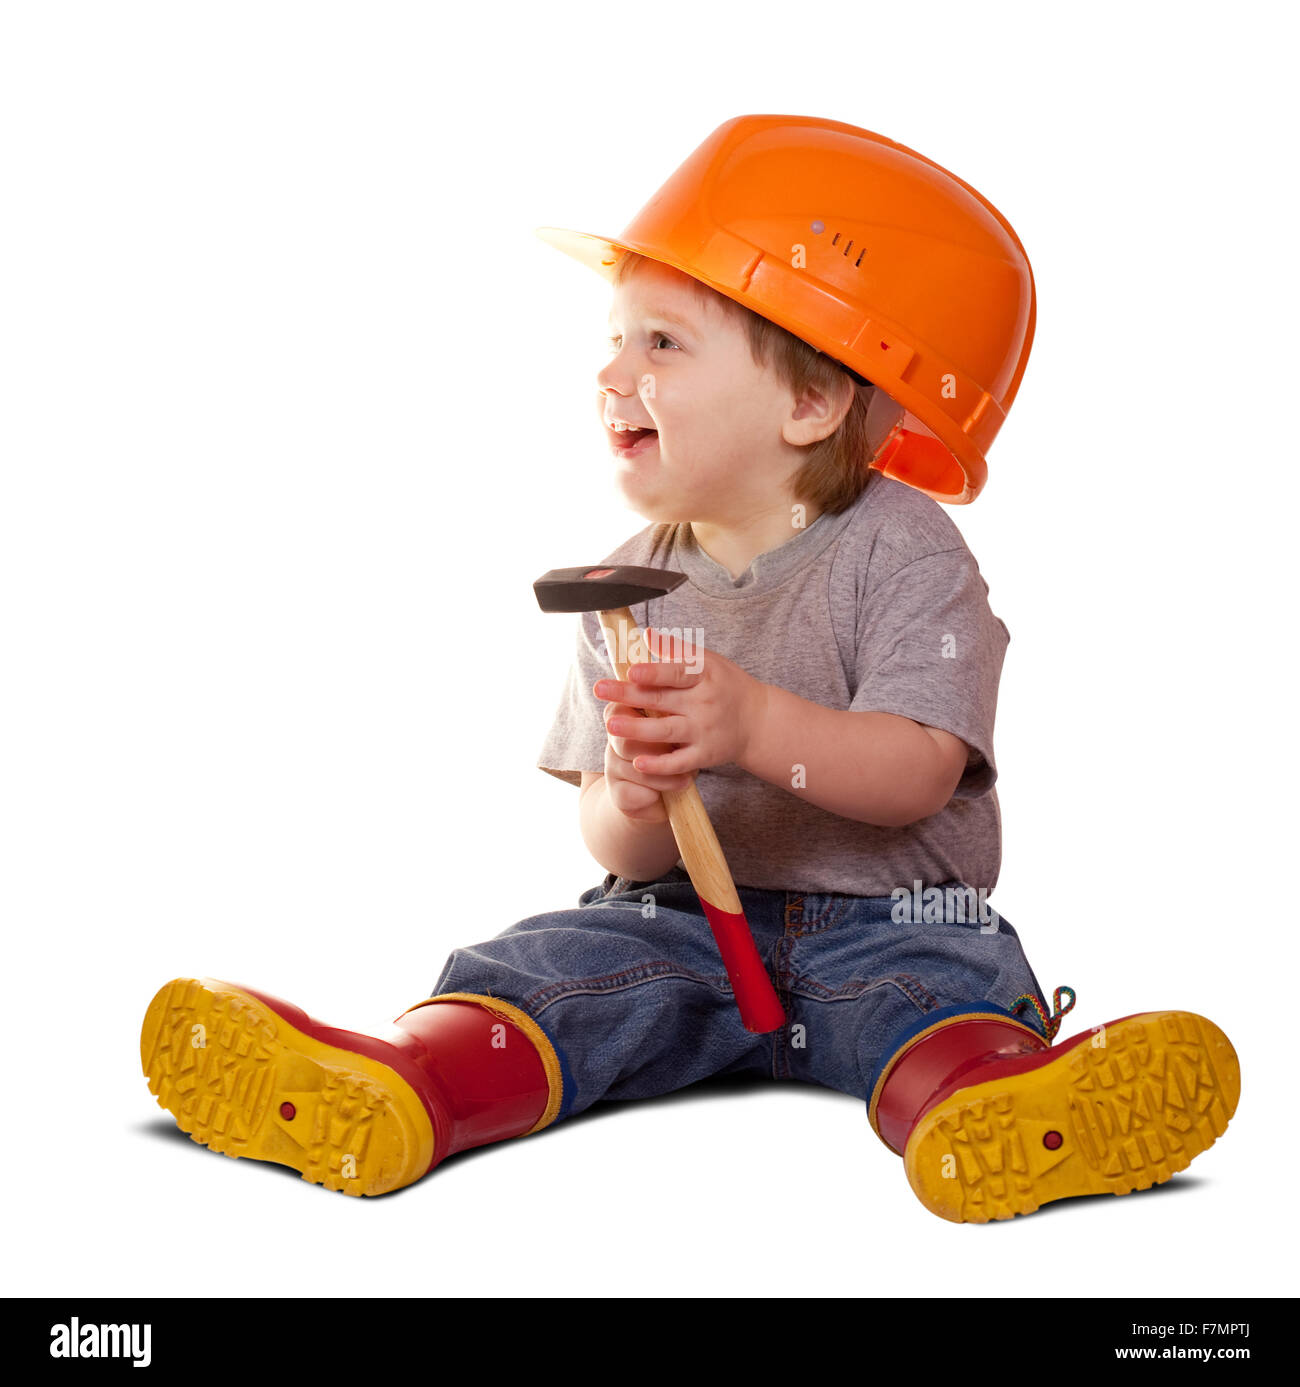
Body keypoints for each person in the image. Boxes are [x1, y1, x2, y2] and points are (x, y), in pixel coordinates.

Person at [141, 115, 1239, 1221]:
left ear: (809, 403)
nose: (613, 371)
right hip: (675, 918)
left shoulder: (902, 551)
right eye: (615, 339)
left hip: (891, 913)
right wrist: (635, 795)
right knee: (551, 968)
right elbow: (610, 842)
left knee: (939, 991)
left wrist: (754, 728)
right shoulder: (625, 582)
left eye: (662, 342)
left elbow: (915, 775)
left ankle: (995, 1102)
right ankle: (412, 1080)